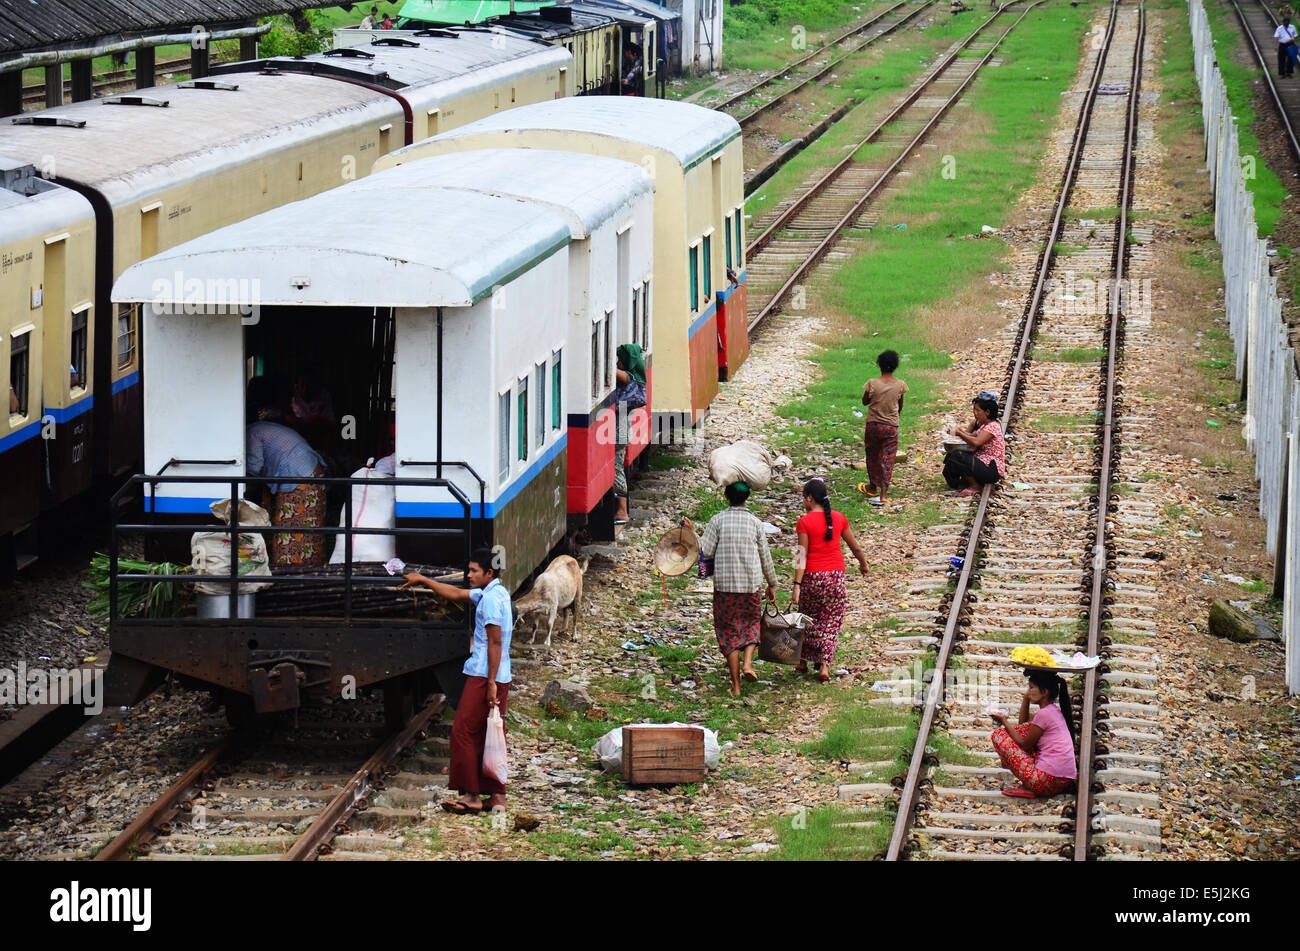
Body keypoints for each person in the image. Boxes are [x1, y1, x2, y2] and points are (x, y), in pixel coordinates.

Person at [402, 549, 512, 814]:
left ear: (489, 573)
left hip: (485, 674)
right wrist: (424, 581)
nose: (469, 575)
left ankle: (472, 795)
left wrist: (490, 683)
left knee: (463, 731)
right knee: (491, 733)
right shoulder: (496, 593)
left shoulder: (488, 602)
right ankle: (497, 797)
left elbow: (495, 643)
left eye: (474, 571)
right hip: (500, 674)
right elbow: (456, 594)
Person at [699, 481, 778, 697]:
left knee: (729, 631)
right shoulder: (755, 523)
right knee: (752, 624)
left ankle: (735, 685)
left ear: (726, 497)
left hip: (725, 587)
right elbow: (765, 557)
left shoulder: (718, 521)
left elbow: (704, 550)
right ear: (747, 498)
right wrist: (772, 583)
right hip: (750, 586)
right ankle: (748, 664)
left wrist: (690, 533)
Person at [245, 377, 328, 566]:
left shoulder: (252, 433)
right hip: (308, 473)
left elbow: (254, 466)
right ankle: (306, 574)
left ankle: (289, 576)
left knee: (292, 529)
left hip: (300, 477)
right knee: (305, 529)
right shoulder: (264, 428)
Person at [793, 479, 867, 682]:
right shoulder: (839, 518)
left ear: (809, 499)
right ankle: (824, 666)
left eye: (803, 498)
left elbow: (801, 556)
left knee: (807, 617)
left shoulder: (804, 522)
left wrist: (797, 585)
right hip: (835, 578)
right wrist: (863, 564)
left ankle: (802, 662)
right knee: (831, 620)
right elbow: (855, 547)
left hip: (812, 578)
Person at [989, 670, 1077, 798]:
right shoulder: (1053, 711)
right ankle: (1031, 782)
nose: (1028, 691)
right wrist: (1026, 698)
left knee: (999, 735)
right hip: (1062, 782)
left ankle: (1029, 787)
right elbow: (1022, 726)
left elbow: (1023, 745)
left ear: (1045, 692)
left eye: (1031, 688)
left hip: (1045, 782)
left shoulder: (1044, 714)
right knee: (1024, 729)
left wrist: (1003, 720)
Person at [859, 349, 908, 505]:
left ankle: (872, 486)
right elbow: (900, 406)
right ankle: (884, 495)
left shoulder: (872, 383)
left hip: (873, 425)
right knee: (887, 458)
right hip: (891, 427)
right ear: (895, 366)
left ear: (879, 365)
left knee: (872, 455)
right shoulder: (900, 385)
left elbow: (864, 402)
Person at [943, 391, 1006, 498]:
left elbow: (977, 442)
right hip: (983, 463)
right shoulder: (984, 426)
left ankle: (975, 485)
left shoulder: (993, 427)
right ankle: (959, 481)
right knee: (952, 455)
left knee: (959, 456)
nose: (975, 413)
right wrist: (956, 431)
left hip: (991, 469)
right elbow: (972, 435)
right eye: (974, 410)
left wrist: (959, 433)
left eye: (978, 410)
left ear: (987, 412)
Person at [612, 343, 646, 525]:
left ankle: (622, 511)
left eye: (619, 360)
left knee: (617, 471)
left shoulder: (628, 376)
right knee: (618, 470)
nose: (617, 363)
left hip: (619, 432)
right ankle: (621, 510)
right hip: (623, 430)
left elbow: (612, 372)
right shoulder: (636, 376)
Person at [1276, 12, 1298, 78]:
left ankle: (1289, 72)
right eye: (1285, 22)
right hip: (1282, 45)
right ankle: (1282, 73)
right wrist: (1275, 45)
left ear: (1289, 22)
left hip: (1291, 44)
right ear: (1283, 22)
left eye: (1287, 22)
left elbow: (1295, 35)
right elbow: (1276, 37)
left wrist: (1293, 39)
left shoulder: (1292, 27)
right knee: (1281, 59)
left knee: (1291, 59)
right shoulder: (1279, 28)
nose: (1286, 23)